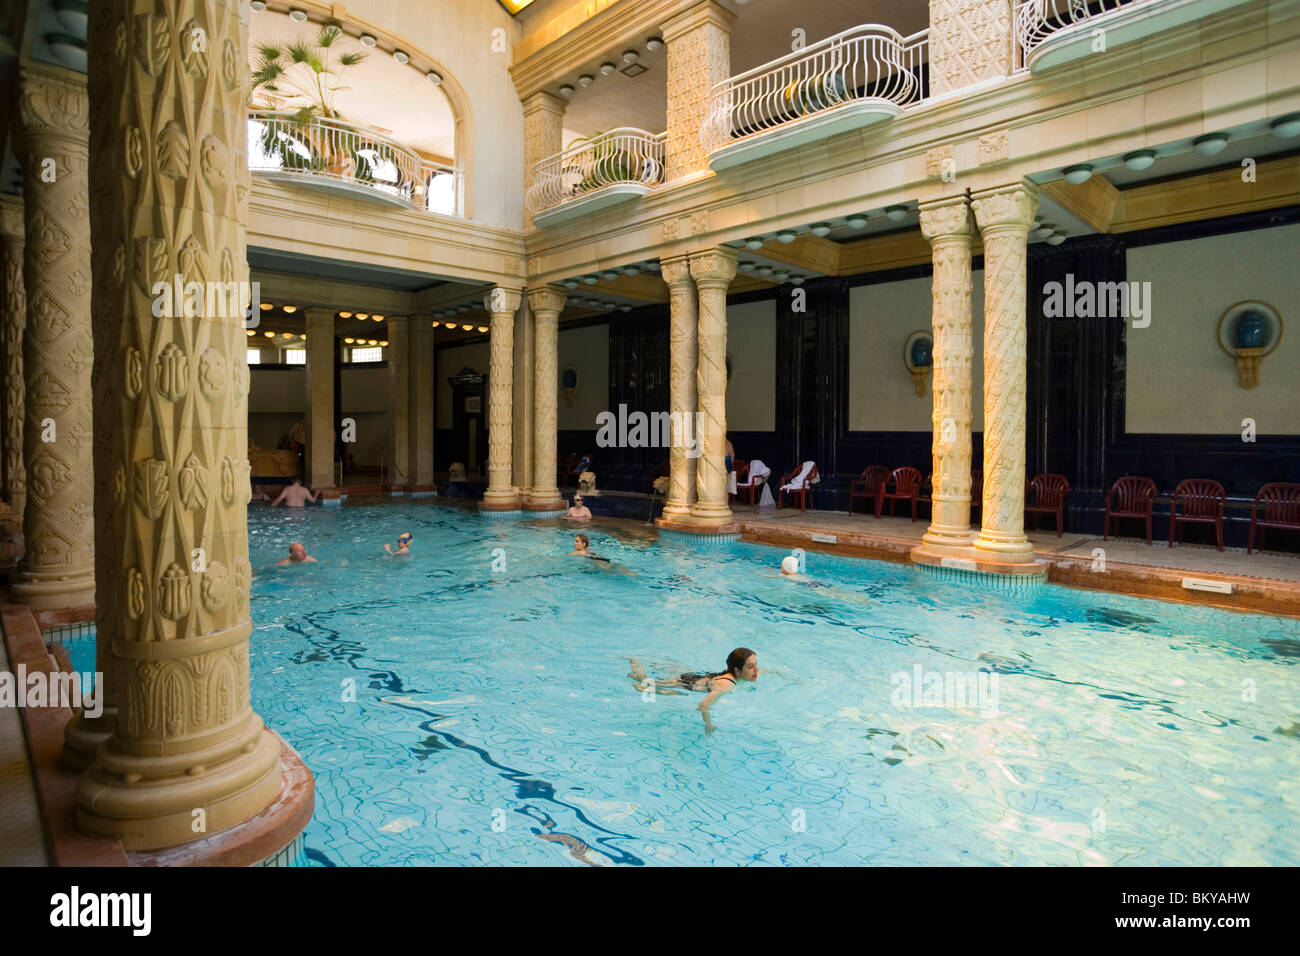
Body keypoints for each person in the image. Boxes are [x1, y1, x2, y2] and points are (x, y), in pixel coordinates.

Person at [629, 648, 760, 733]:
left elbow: (757, 672)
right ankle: (638, 674)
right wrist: (709, 724)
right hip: (689, 684)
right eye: (751, 667)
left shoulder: (734, 674)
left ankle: (636, 661)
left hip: (697, 676)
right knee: (649, 683)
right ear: (737, 670)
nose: (756, 670)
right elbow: (703, 706)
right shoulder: (727, 685)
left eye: (756, 665)